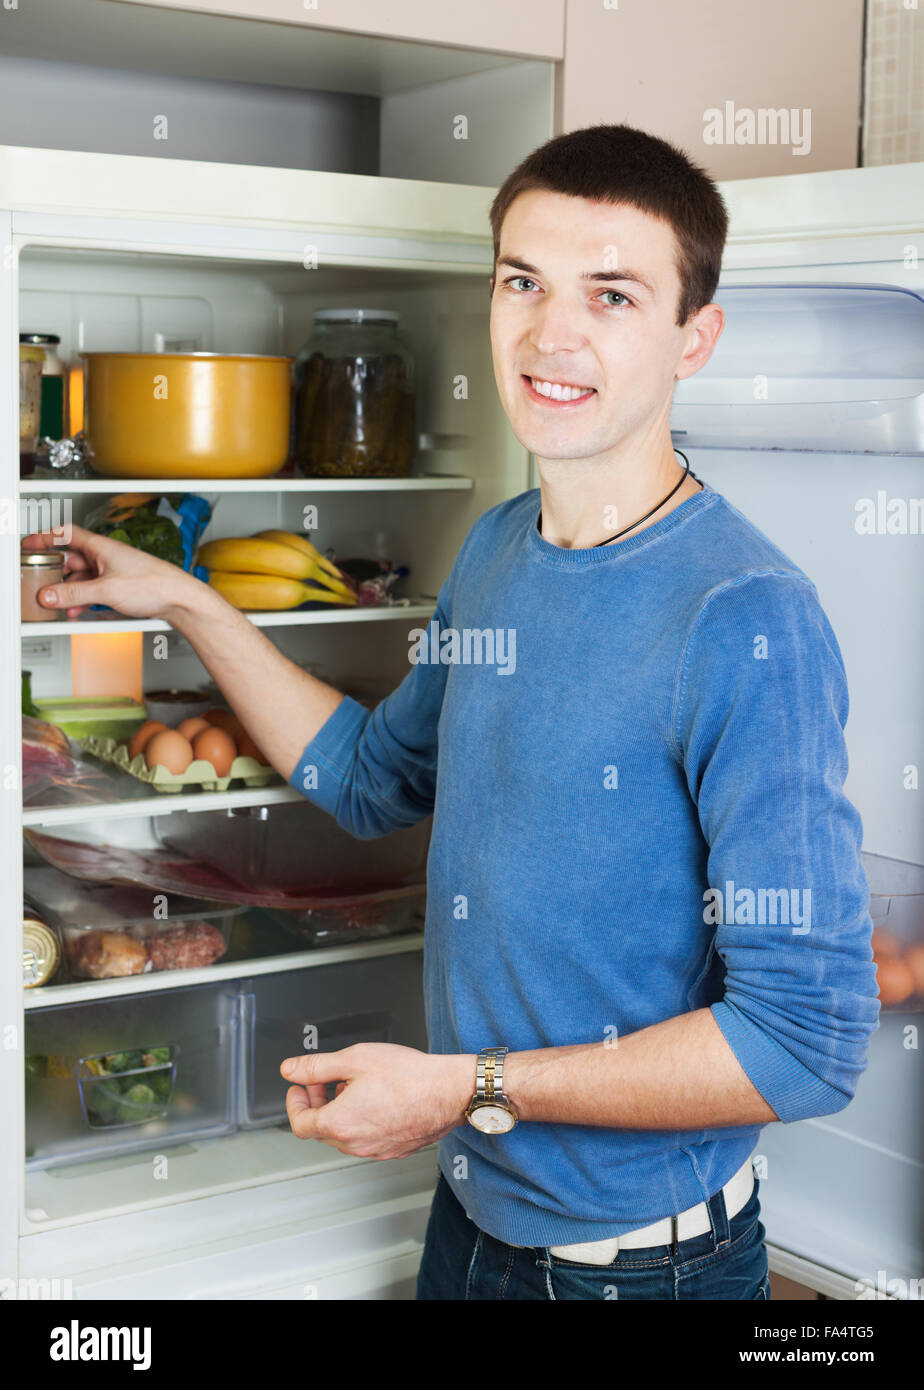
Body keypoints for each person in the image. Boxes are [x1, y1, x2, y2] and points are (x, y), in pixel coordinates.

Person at [23, 124, 880, 1302]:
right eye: (522, 280)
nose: (550, 332)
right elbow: (371, 775)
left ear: (697, 337)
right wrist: (184, 597)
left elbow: (807, 1038)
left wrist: (469, 1086)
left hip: (638, 1272)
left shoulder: (744, 619)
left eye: (612, 295)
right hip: (470, 1226)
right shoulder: (497, 549)